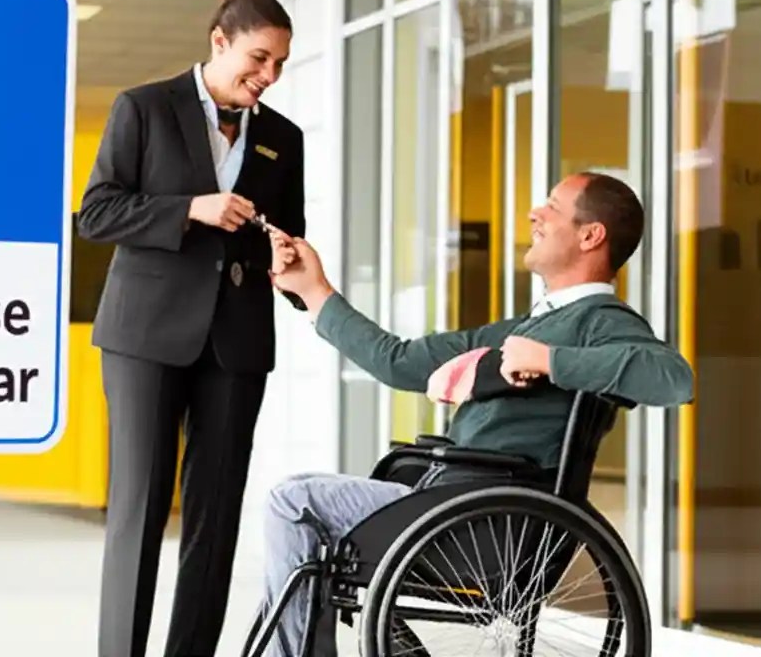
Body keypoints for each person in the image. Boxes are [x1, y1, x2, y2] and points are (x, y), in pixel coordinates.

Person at [255, 171, 694, 656]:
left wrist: (548, 360)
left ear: (591, 236)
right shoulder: (530, 325)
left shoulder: (600, 323)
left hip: (482, 526)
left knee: (295, 502)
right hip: (453, 507)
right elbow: (397, 361)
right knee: (304, 515)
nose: (534, 214)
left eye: (552, 206)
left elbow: (673, 377)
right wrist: (314, 291)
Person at [76, 0, 306, 657]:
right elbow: (97, 212)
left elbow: (286, 229)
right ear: (219, 41)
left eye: (281, 64)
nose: (269, 75)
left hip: (237, 341)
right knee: (139, 513)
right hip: (146, 337)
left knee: (216, 518)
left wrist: (289, 260)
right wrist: (188, 210)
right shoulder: (142, 108)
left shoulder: (283, 138)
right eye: (258, 59)